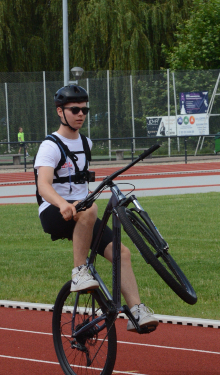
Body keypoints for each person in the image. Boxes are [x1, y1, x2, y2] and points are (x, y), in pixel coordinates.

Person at [34, 85, 158, 333]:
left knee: (121, 253)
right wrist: (62, 204)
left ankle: (135, 311)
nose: (81, 114)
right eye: (75, 109)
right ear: (60, 111)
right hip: (54, 211)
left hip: (83, 213)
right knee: (89, 209)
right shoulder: (50, 146)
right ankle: (79, 271)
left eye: (85, 109)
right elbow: (43, 185)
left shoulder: (85, 143)